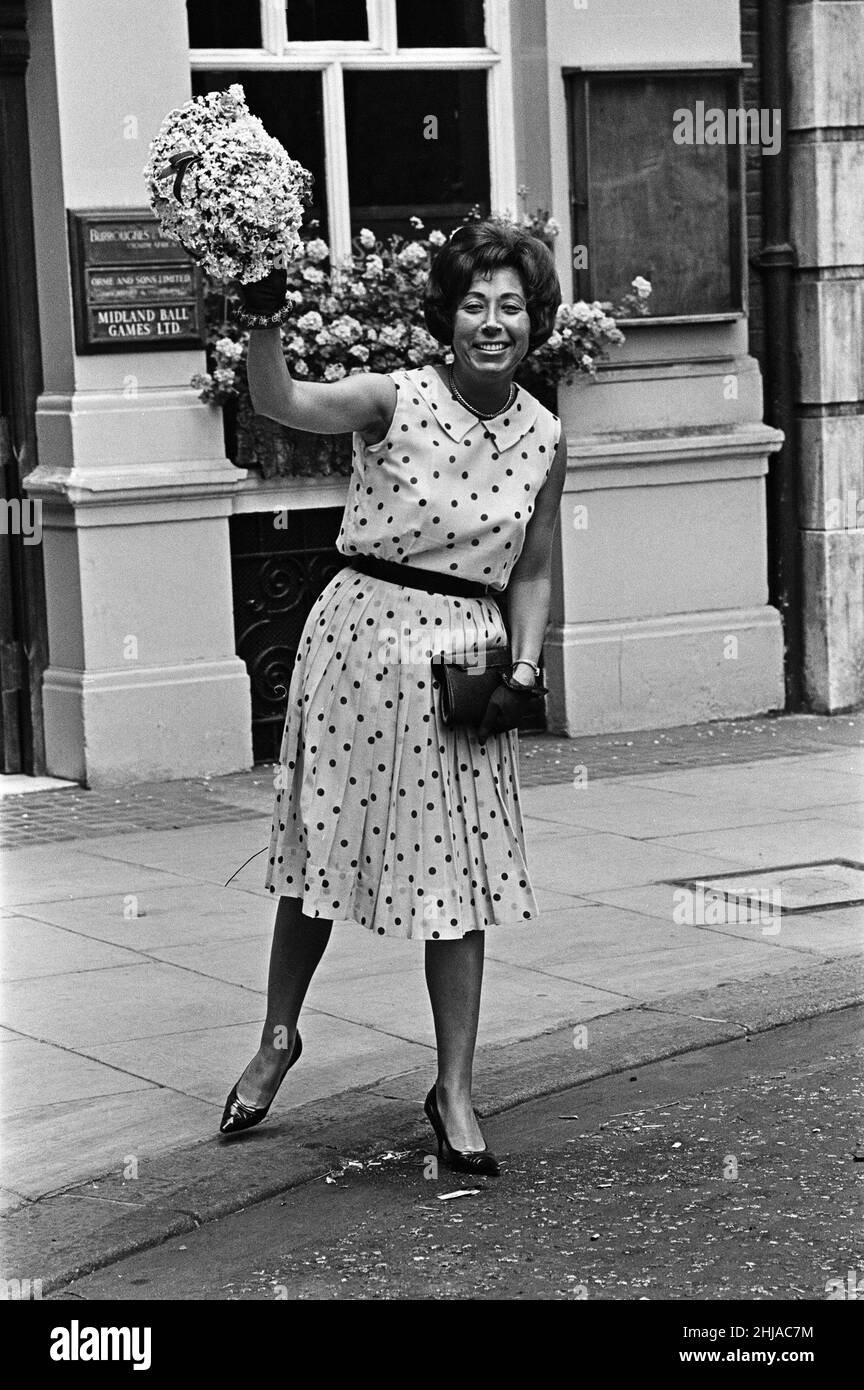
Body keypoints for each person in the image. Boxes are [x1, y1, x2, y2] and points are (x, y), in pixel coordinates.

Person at [219, 220, 567, 1175]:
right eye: (473, 305)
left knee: (457, 884)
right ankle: (279, 1038)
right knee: (320, 856)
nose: (491, 324)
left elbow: (533, 569)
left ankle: (453, 1088)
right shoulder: (393, 398)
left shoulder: (544, 434)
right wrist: (260, 307)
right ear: (446, 316)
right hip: (362, 644)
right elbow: (279, 399)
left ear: (534, 321)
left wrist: (526, 668)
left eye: (510, 307)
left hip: (466, 667)